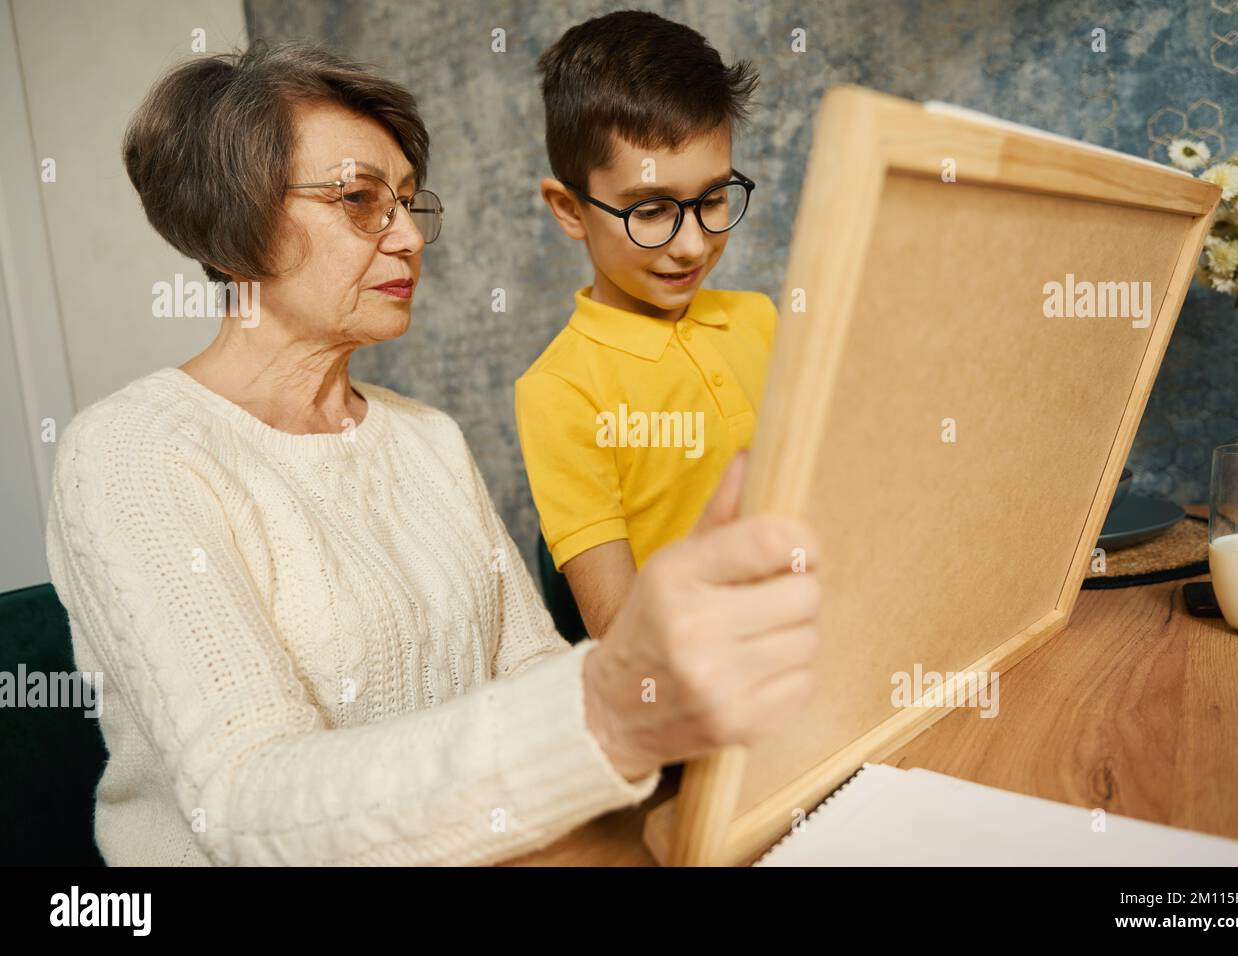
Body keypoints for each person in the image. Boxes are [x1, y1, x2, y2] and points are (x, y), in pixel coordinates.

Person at [44, 40, 820, 866]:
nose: (411, 237)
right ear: (230, 225)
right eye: (360, 201)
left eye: (410, 202)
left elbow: (533, 671)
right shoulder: (129, 455)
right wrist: (607, 709)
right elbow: (245, 801)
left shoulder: (427, 438)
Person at [515, 10, 778, 639]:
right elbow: (619, 633)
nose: (691, 245)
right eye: (653, 210)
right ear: (569, 209)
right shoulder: (559, 393)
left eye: (713, 199)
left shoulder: (762, 319)